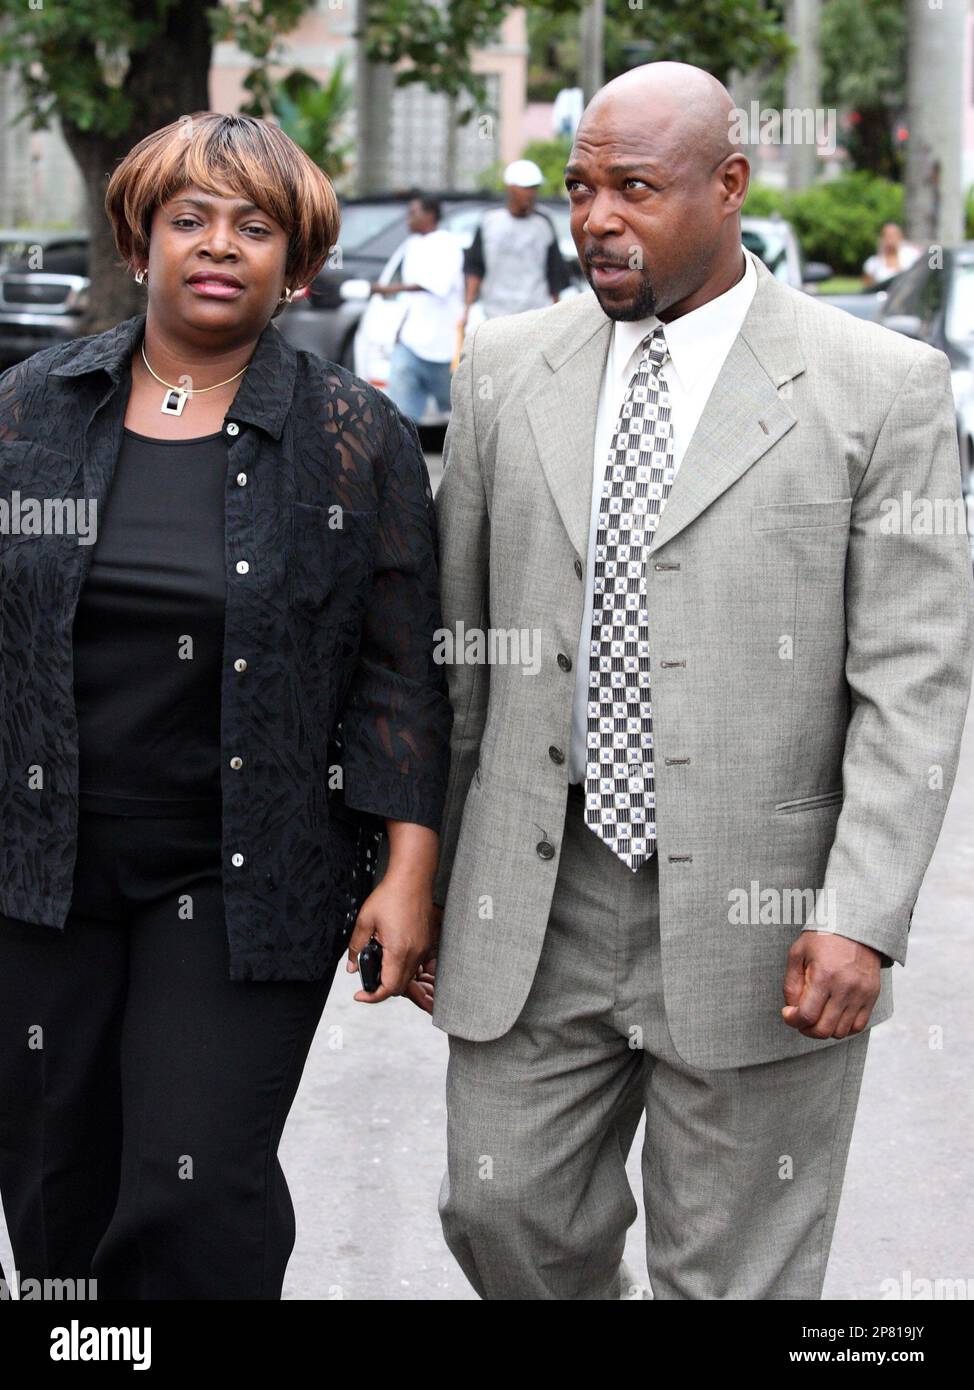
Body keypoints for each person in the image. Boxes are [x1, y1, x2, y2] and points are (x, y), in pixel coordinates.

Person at [427, 62, 974, 1299]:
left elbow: (914, 675)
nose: (593, 220)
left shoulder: (875, 388)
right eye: (578, 188)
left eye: (632, 188)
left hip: (768, 915)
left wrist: (861, 909)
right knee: (497, 1207)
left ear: (727, 186)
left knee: (736, 1272)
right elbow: (449, 647)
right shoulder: (505, 368)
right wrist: (426, 866)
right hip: (541, 890)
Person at [0, 112, 451, 1300]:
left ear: (297, 266)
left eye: (255, 227)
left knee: (196, 1190)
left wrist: (408, 869)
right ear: (139, 242)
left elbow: (401, 672)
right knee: (55, 1196)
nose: (218, 245)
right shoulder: (32, 409)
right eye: (188, 218)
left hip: (243, 874)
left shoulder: (356, 440)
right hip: (39, 868)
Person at [371, 193, 464, 423]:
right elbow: (410, 301)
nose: (407, 220)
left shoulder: (448, 244)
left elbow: (437, 285)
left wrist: (389, 289)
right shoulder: (411, 245)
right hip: (411, 342)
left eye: (413, 213)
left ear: (430, 215)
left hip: (441, 345)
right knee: (402, 413)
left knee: (456, 409)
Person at [463, 159, 570, 322]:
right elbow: (475, 267)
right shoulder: (489, 221)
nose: (531, 193)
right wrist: (467, 309)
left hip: (535, 313)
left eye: (534, 188)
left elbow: (554, 272)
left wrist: (557, 313)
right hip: (495, 313)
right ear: (511, 188)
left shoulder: (543, 223)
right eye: (526, 188)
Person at [862, 222, 920, 287]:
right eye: (887, 235)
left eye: (894, 235)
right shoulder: (873, 263)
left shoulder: (913, 256)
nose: (890, 239)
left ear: (900, 236)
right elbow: (867, 288)